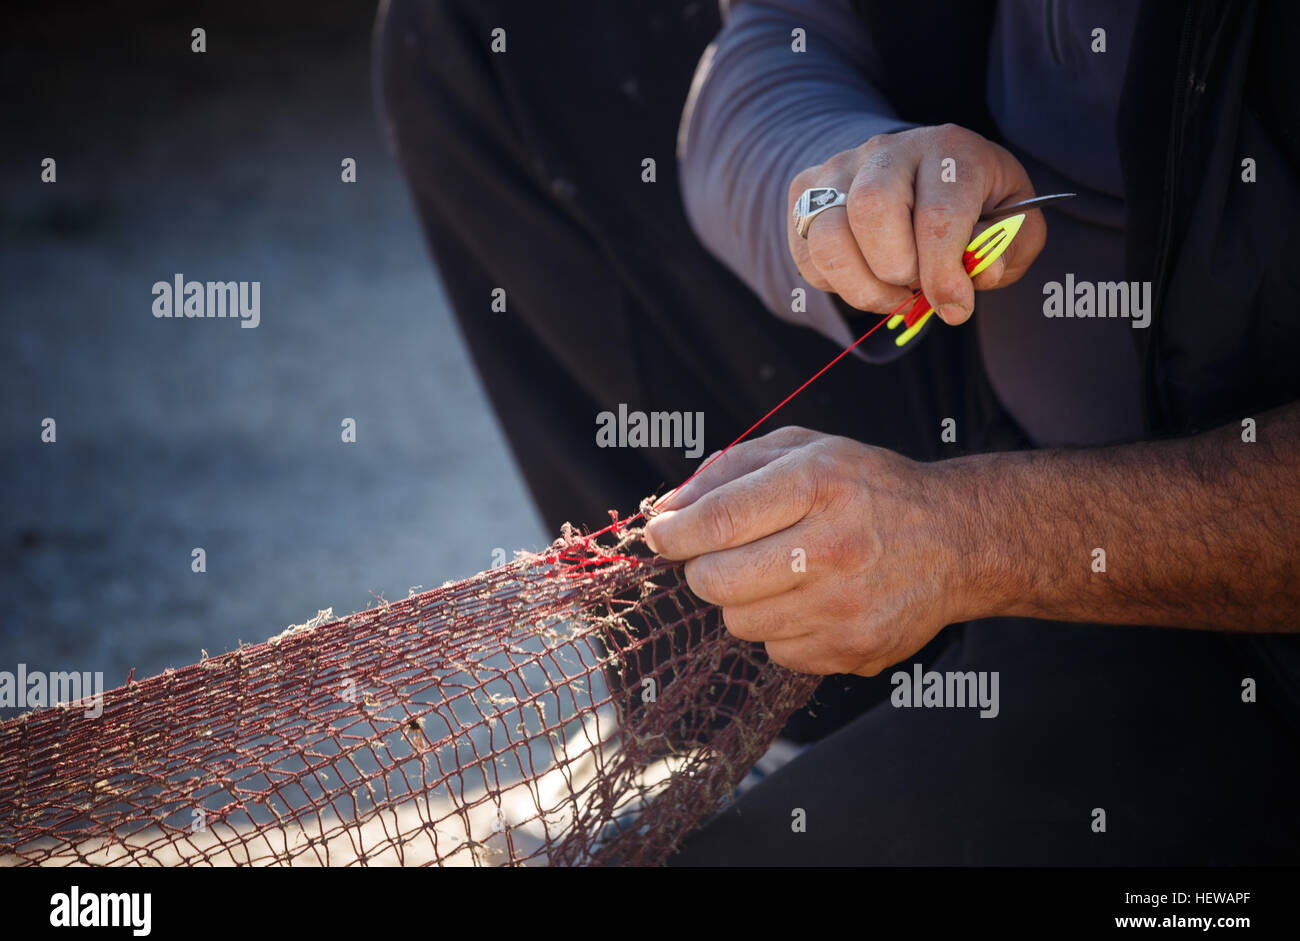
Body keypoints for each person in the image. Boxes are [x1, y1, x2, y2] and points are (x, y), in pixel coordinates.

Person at [379, 0, 1300, 863]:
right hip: (980, 405)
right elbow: (782, 34)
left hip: (1220, 605)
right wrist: (843, 182)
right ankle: (745, 727)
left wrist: (970, 536)